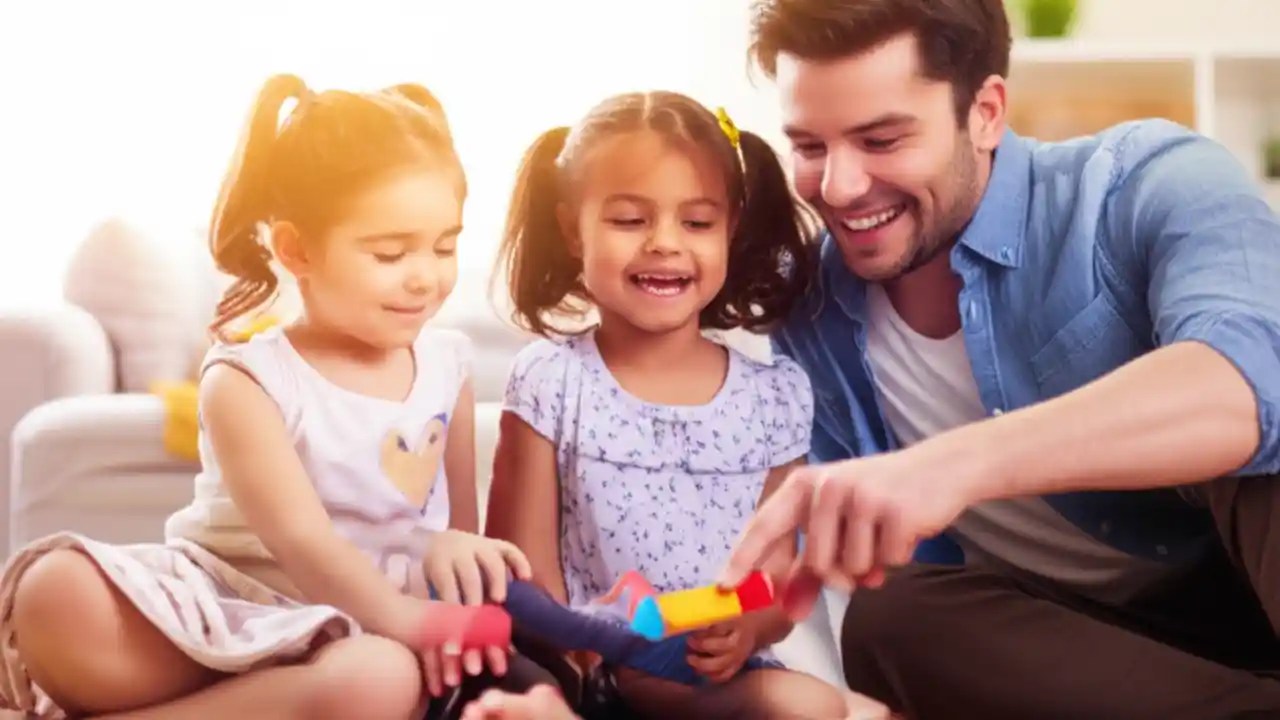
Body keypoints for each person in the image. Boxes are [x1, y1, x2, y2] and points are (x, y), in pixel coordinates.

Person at [716, 1, 1280, 718]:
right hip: (1092, 649)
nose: (840, 188)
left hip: (1249, 575)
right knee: (892, 617)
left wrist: (952, 465)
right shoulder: (811, 314)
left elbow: (1253, 375)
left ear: (985, 112)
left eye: (882, 140)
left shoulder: (1140, 183)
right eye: (811, 147)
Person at [0, 73, 544, 720]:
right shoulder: (246, 379)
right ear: (296, 249)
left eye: (445, 246)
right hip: (222, 611)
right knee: (54, 590)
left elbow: (456, 530)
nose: (425, 276)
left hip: (352, 634)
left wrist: (454, 578)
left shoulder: (447, 364)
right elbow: (304, 543)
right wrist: (414, 621)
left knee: (378, 683)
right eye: (390, 252)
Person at [484, 90, 885, 719]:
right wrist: (597, 640)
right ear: (571, 229)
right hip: (593, 680)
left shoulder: (772, 398)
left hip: (720, 679)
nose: (665, 244)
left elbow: (773, 583)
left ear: (732, 227)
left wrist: (748, 630)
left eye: (696, 223)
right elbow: (522, 575)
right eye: (629, 220)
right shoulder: (550, 381)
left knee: (812, 706)